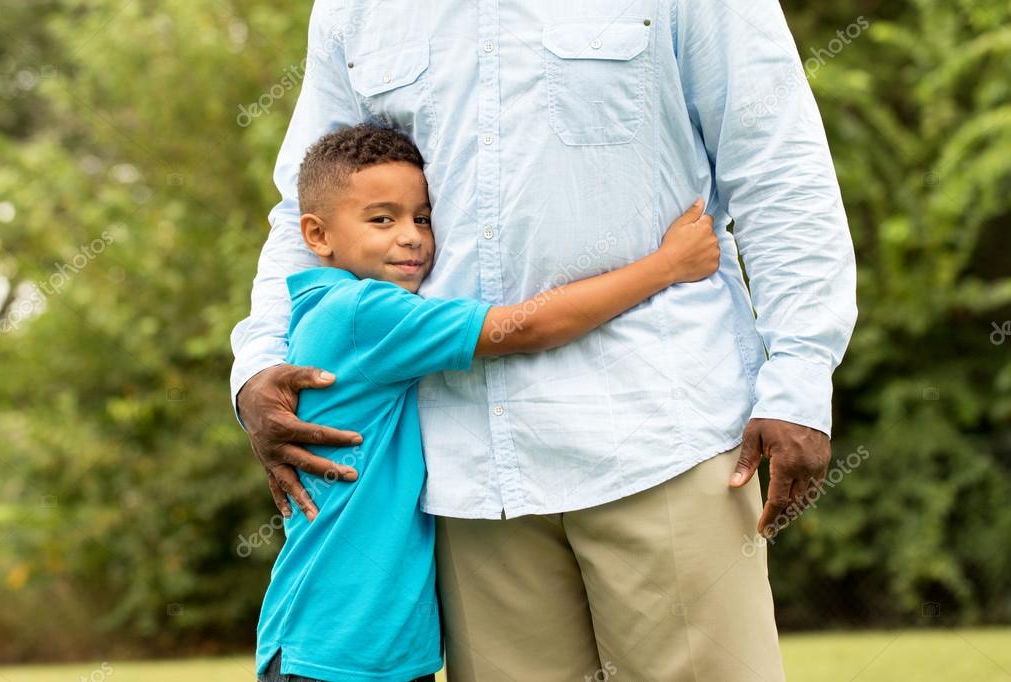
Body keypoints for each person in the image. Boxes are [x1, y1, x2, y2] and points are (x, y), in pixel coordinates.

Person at [232, 1, 857, 679]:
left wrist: (798, 379)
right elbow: (307, 208)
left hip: (662, 432)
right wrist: (259, 368)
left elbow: (779, 170)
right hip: (466, 473)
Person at [254, 123, 719, 682]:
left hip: (376, 649)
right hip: (334, 647)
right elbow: (526, 327)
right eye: (382, 219)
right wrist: (667, 265)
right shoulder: (361, 312)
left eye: (421, 218)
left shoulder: (332, 309)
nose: (411, 237)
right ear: (317, 234)